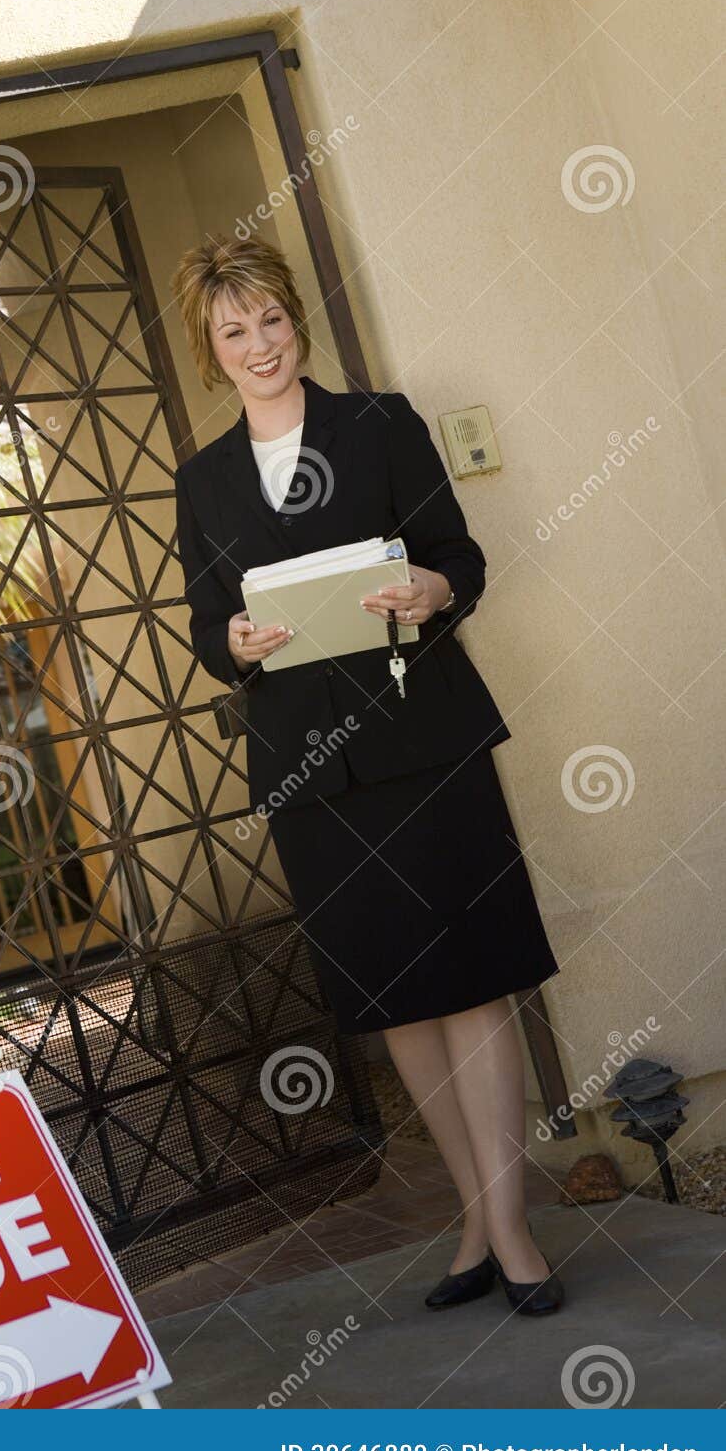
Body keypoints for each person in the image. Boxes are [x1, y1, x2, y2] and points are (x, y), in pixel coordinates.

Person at [170, 233, 564, 1316]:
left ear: (295, 319)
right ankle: (472, 1219)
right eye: (232, 330)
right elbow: (209, 621)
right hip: (309, 769)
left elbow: (458, 553)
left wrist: (431, 587)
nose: (259, 344)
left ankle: (509, 1227)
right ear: (212, 351)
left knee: (472, 978)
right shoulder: (200, 478)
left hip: (423, 740)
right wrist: (235, 643)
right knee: (396, 996)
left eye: (271, 320)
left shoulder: (379, 423)